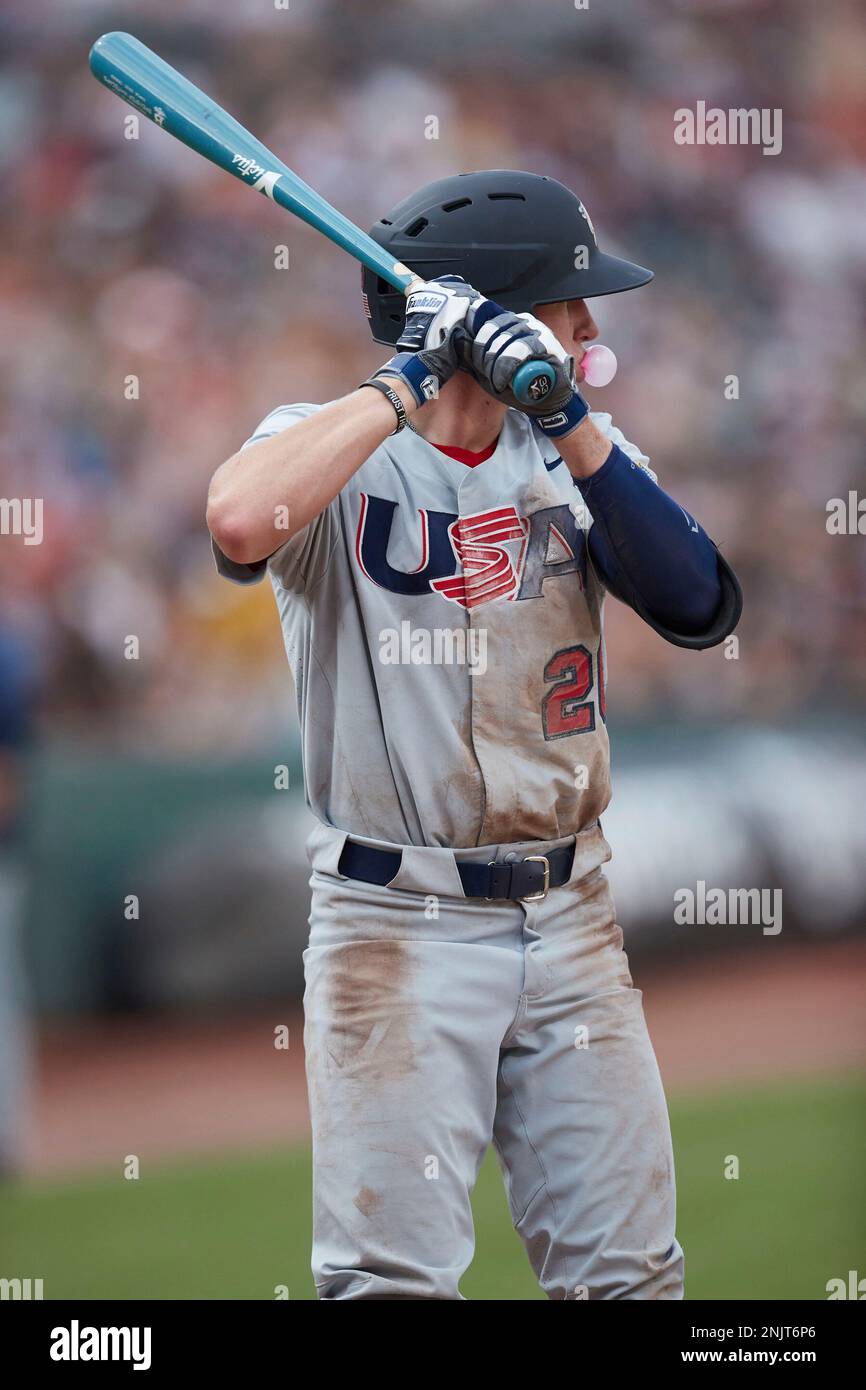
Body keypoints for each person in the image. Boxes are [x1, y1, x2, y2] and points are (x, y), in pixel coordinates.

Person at [207, 171, 742, 1300]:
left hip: (571, 917)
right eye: (564, 298)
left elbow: (697, 603)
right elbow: (241, 520)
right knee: (389, 1284)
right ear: (487, 307)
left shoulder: (574, 453)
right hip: (392, 923)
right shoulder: (329, 443)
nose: (587, 323)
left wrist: (559, 407)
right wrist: (413, 371)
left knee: (631, 1282)